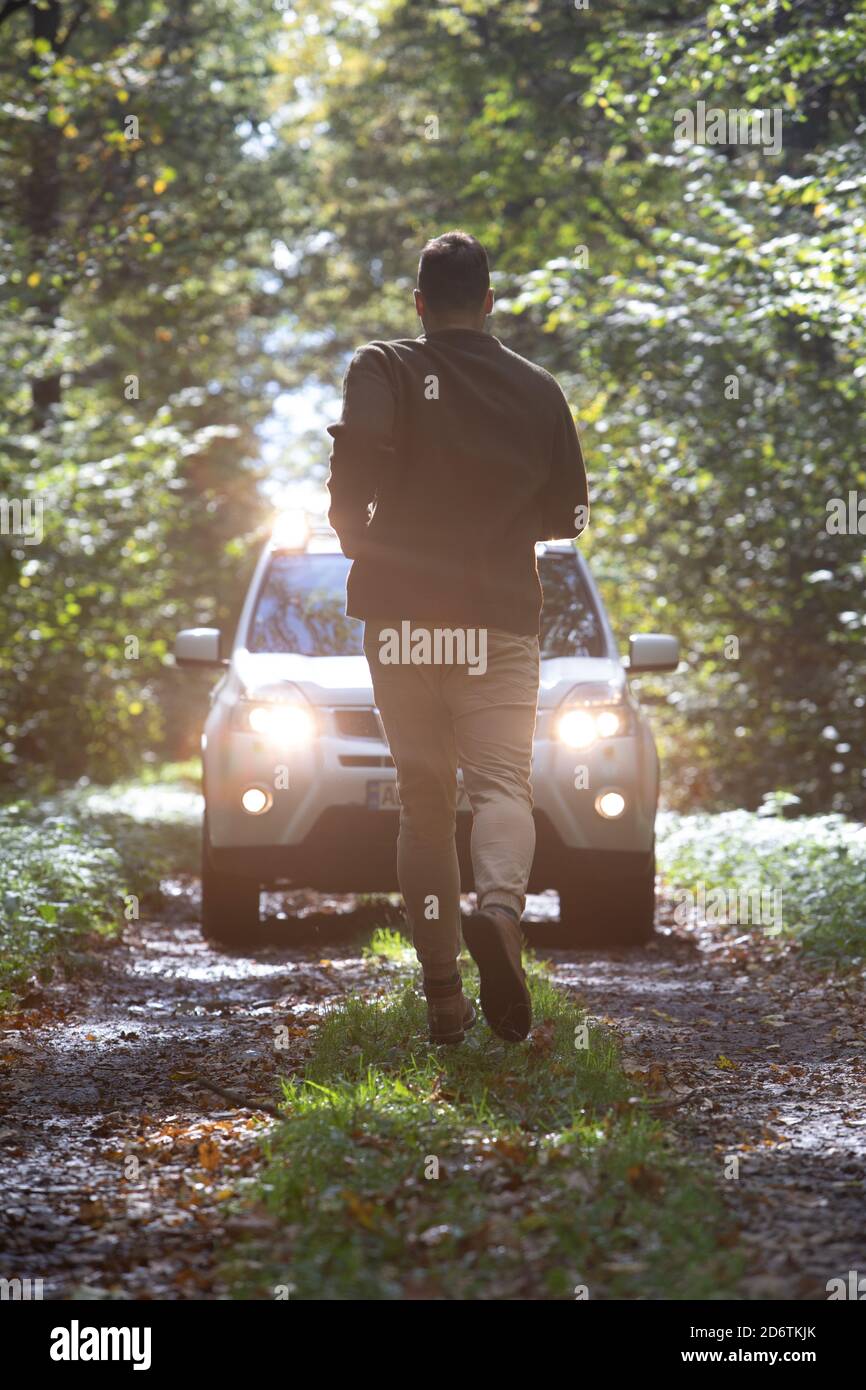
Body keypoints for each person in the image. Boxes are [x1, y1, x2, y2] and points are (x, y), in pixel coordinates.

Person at [327, 230, 588, 1044]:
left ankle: (444, 999)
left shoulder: (385, 365)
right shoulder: (538, 388)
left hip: (402, 624)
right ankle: (501, 915)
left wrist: (354, 535)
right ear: (489, 302)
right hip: (497, 621)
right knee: (503, 787)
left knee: (425, 804)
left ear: (418, 304)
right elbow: (568, 515)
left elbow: (356, 462)